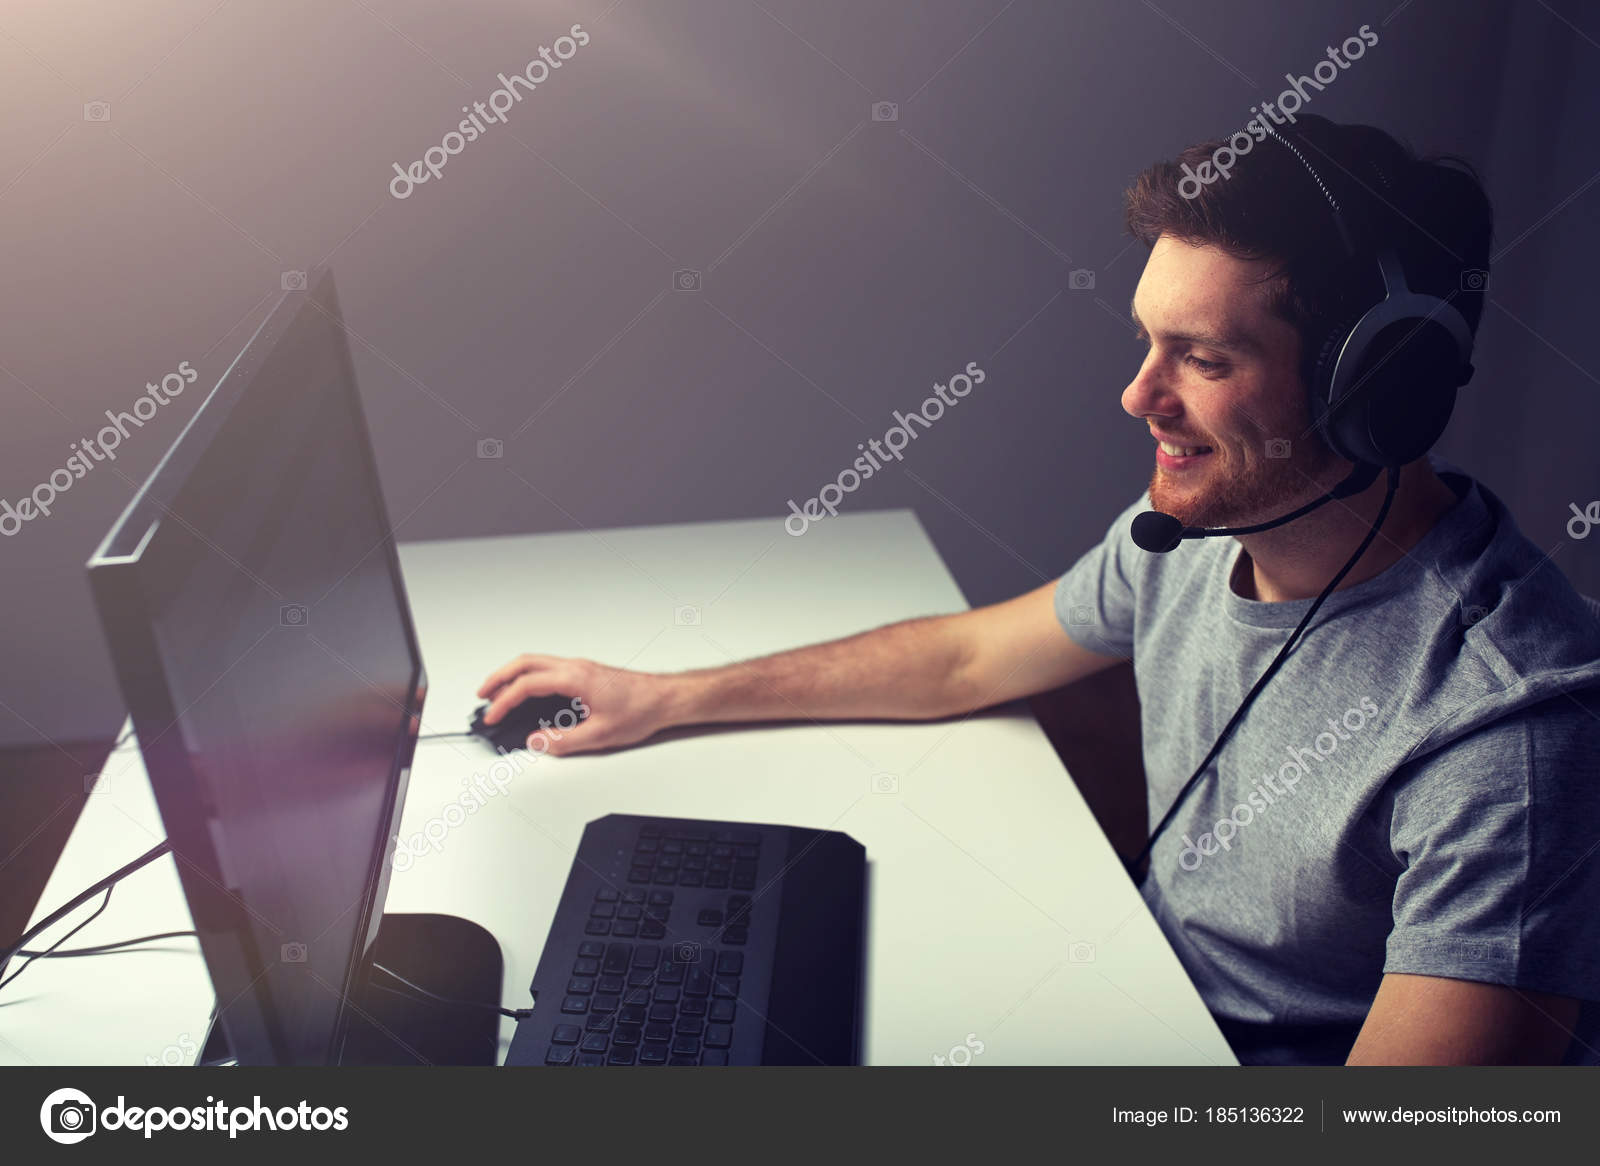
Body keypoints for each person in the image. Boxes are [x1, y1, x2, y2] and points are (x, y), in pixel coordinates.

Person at [477, 116, 1600, 1066]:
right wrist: (669, 696)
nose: (1137, 396)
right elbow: (965, 659)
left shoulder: (1512, 732)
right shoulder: (1197, 530)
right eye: (1146, 343)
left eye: (1203, 359)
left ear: (1378, 391)